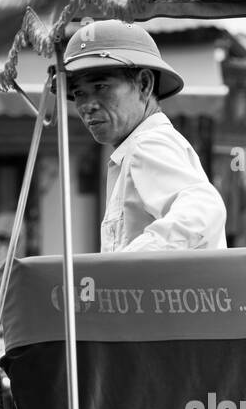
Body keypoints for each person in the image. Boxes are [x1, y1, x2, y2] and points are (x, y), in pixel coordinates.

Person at [64, 19, 227, 252]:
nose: (87, 105)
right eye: (79, 93)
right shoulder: (137, 147)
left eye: (101, 87)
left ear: (144, 84)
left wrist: (121, 268)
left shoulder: (148, 143)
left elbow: (202, 212)